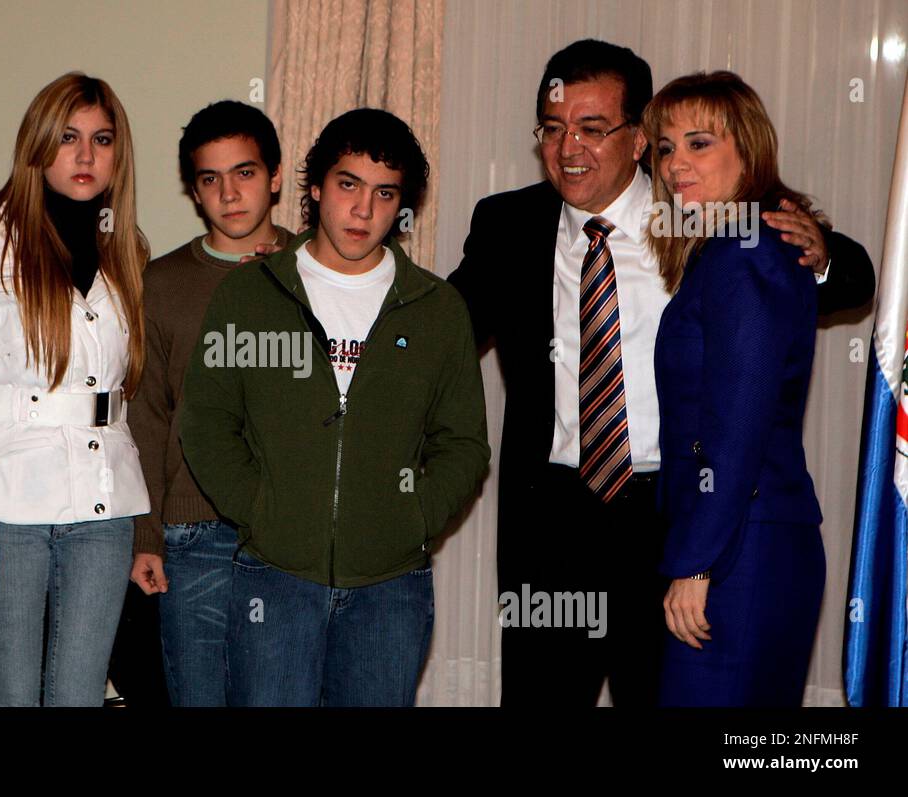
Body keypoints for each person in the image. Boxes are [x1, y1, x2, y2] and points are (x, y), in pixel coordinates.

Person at [446, 39, 875, 706]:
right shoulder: (508, 225)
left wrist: (820, 256)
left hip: (674, 515)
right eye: (553, 129)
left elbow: (841, 274)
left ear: (638, 136)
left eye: (593, 128)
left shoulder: (699, 211)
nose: (570, 149)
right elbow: (441, 334)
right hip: (552, 523)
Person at [180, 108, 490, 706]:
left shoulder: (435, 308)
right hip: (274, 575)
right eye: (348, 185)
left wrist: (415, 518)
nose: (363, 210)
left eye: (384, 193)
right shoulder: (251, 293)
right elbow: (208, 422)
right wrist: (262, 510)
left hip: (391, 585)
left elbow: (463, 442)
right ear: (316, 187)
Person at [0, 72, 150, 707]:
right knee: (12, 696)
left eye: (102, 139)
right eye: (68, 137)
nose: (85, 155)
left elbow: (117, 393)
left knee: (80, 697)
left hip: (103, 510)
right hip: (9, 512)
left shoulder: (124, 249)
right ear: (38, 146)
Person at [647, 72, 825, 706]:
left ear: (747, 149)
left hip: (739, 548)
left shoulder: (744, 250)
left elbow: (735, 428)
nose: (675, 166)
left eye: (698, 144)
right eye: (665, 148)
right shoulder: (744, 243)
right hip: (752, 539)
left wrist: (697, 563)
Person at [127, 100, 293, 706]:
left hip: (293, 530)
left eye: (244, 173)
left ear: (275, 176)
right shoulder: (162, 284)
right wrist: (146, 534)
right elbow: (146, 416)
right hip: (193, 532)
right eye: (210, 179)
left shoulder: (320, 271)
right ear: (194, 192)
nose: (229, 193)